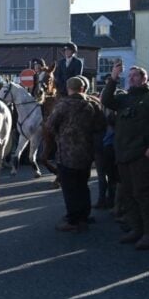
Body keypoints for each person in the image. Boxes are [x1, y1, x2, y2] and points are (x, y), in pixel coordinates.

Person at [101, 61, 149, 250]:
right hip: (123, 153)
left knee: (143, 195)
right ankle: (136, 229)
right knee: (128, 195)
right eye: (129, 76)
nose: (131, 79)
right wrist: (114, 78)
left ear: (144, 78)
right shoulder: (124, 98)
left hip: (141, 154)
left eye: (136, 76)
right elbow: (106, 100)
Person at [46, 76, 106, 233]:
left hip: (67, 153)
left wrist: (61, 134)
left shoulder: (63, 105)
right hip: (86, 152)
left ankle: (73, 220)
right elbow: (101, 126)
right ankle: (84, 216)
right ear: (83, 88)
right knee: (83, 185)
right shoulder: (93, 104)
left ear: (68, 88)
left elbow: (50, 125)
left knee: (69, 189)